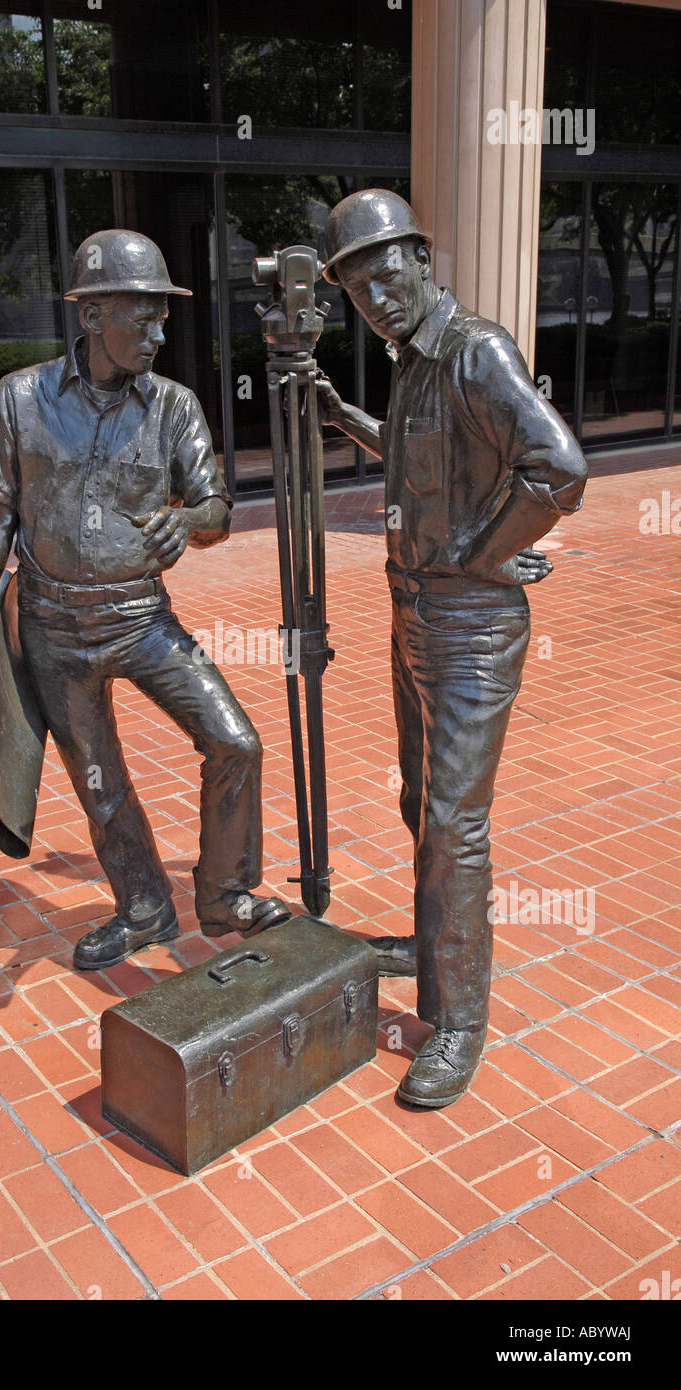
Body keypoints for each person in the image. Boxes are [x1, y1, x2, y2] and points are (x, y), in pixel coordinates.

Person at [0, 228, 289, 970]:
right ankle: (143, 908)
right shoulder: (21, 399)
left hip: (142, 618)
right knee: (100, 783)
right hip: (51, 628)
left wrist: (189, 523)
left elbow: (217, 507)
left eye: (164, 317)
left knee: (235, 741)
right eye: (145, 316)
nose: (160, 333)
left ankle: (226, 893)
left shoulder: (173, 406)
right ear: (92, 314)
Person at [316, 190, 587, 1107]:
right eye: (359, 290)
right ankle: (434, 945)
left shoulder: (477, 351)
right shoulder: (416, 363)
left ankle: (460, 1019)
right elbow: (413, 452)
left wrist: (485, 553)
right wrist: (342, 415)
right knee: (418, 797)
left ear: (423, 260)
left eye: (388, 276)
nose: (378, 299)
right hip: (413, 615)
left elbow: (561, 468)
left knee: (455, 827)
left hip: (468, 627)